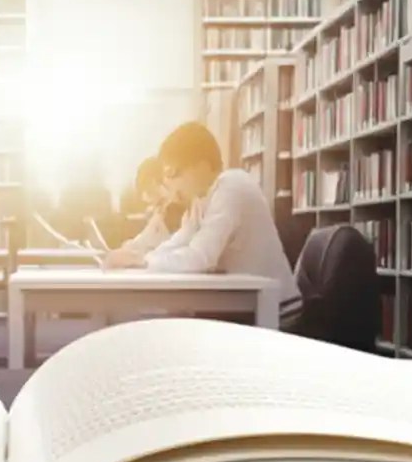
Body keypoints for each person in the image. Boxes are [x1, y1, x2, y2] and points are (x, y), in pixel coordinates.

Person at [104, 122, 302, 324]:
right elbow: (179, 244)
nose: (170, 184)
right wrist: (140, 258)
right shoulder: (203, 200)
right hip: (248, 308)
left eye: (173, 172)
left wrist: (143, 261)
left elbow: (200, 257)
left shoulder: (231, 186)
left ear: (202, 165)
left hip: (275, 313)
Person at [118, 156, 186, 254]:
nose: (145, 199)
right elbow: (145, 238)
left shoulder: (173, 210)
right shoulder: (161, 209)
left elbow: (159, 245)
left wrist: (131, 250)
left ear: (153, 182)